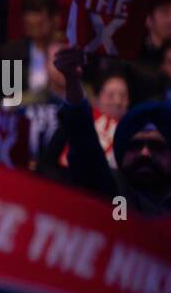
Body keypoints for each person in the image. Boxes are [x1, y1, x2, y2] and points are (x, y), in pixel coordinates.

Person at [53, 47, 171, 216]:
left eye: (156, 146)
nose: (145, 153)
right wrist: (72, 80)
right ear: (121, 153)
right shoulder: (114, 194)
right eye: (135, 146)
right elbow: (84, 144)